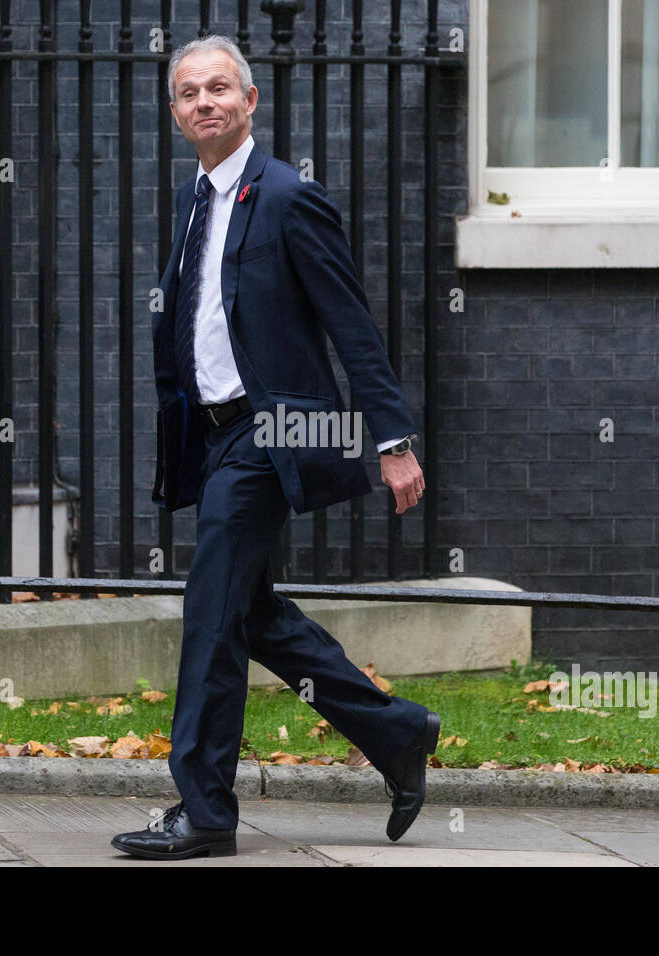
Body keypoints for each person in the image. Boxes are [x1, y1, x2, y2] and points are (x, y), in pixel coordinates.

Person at [110, 35, 439, 861]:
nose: (205, 103)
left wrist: (393, 440)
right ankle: (399, 733)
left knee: (209, 615)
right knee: (251, 615)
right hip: (216, 435)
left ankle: (206, 812)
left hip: (271, 433)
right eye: (189, 93)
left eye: (220, 88)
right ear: (177, 112)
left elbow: (351, 325)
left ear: (251, 102)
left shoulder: (289, 196)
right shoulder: (196, 200)